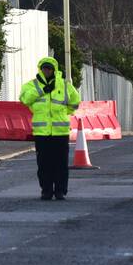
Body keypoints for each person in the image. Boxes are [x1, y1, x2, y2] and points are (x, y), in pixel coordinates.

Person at [19, 56, 81, 200]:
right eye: (45, 68)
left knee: (61, 164)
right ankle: (46, 190)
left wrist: (63, 112)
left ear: (54, 70)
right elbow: (25, 99)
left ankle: (60, 191)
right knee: (44, 164)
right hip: (42, 132)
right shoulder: (32, 85)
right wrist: (42, 90)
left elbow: (75, 102)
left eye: (49, 68)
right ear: (40, 69)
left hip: (60, 132)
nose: (47, 71)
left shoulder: (64, 85)